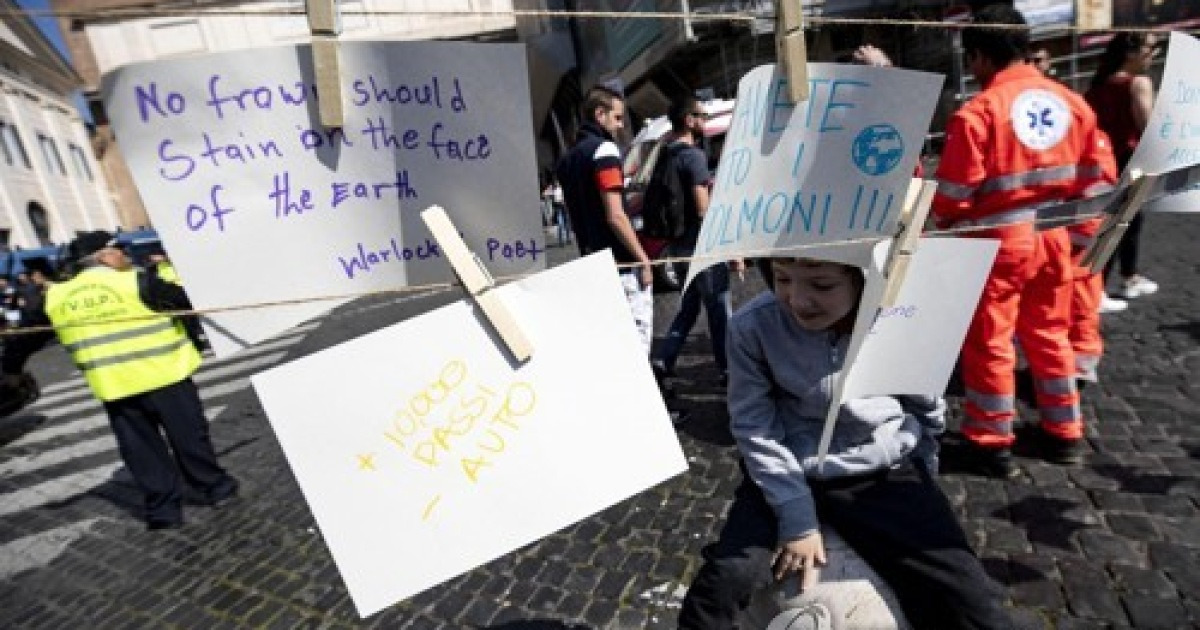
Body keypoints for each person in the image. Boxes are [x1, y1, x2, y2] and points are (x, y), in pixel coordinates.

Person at [677, 258, 1012, 630]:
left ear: (865, 279)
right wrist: (797, 518)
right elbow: (755, 427)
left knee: (968, 594)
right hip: (788, 470)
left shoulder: (900, 318)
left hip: (882, 472)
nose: (798, 300)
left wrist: (923, 477)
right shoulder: (751, 327)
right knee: (726, 579)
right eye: (782, 278)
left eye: (821, 285)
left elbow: (924, 404)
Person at [932, 5, 1116, 477]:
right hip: (1054, 237)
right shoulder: (1073, 102)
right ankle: (1064, 431)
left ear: (978, 56)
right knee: (1051, 332)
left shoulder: (979, 112)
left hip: (998, 242)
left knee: (991, 338)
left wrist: (944, 221)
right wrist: (1079, 240)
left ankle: (990, 440)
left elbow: (954, 194)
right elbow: (1098, 181)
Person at [1, 231, 238, 530]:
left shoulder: (56, 298)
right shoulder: (135, 282)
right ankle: (215, 488)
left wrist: (10, 368)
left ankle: (164, 512)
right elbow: (186, 303)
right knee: (189, 437)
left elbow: (24, 338)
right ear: (103, 257)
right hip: (165, 377)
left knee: (141, 451)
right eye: (119, 250)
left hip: (117, 388)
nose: (125, 255)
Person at [556, 86, 655, 355]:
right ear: (600, 114)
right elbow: (616, 215)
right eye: (618, 117)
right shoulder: (604, 150)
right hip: (621, 264)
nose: (621, 125)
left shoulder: (567, 160)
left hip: (593, 263)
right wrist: (643, 259)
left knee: (613, 346)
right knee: (638, 346)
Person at [651, 96, 736, 386]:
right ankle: (728, 370)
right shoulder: (694, 156)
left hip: (678, 245)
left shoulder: (667, 153)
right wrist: (727, 246)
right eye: (702, 115)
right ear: (689, 119)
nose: (705, 121)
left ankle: (665, 358)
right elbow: (704, 209)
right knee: (719, 308)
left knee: (689, 306)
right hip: (703, 246)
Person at [1085, 31, 1161, 307]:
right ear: (1131, 53)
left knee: (1119, 222)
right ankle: (1100, 290)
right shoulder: (1139, 83)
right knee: (1123, 224)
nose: (1154, 54)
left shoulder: (1099, 85)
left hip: (1105, 162)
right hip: (1132, 159)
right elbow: (1147, 126)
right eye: (1150, 48)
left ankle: (1128, 277)